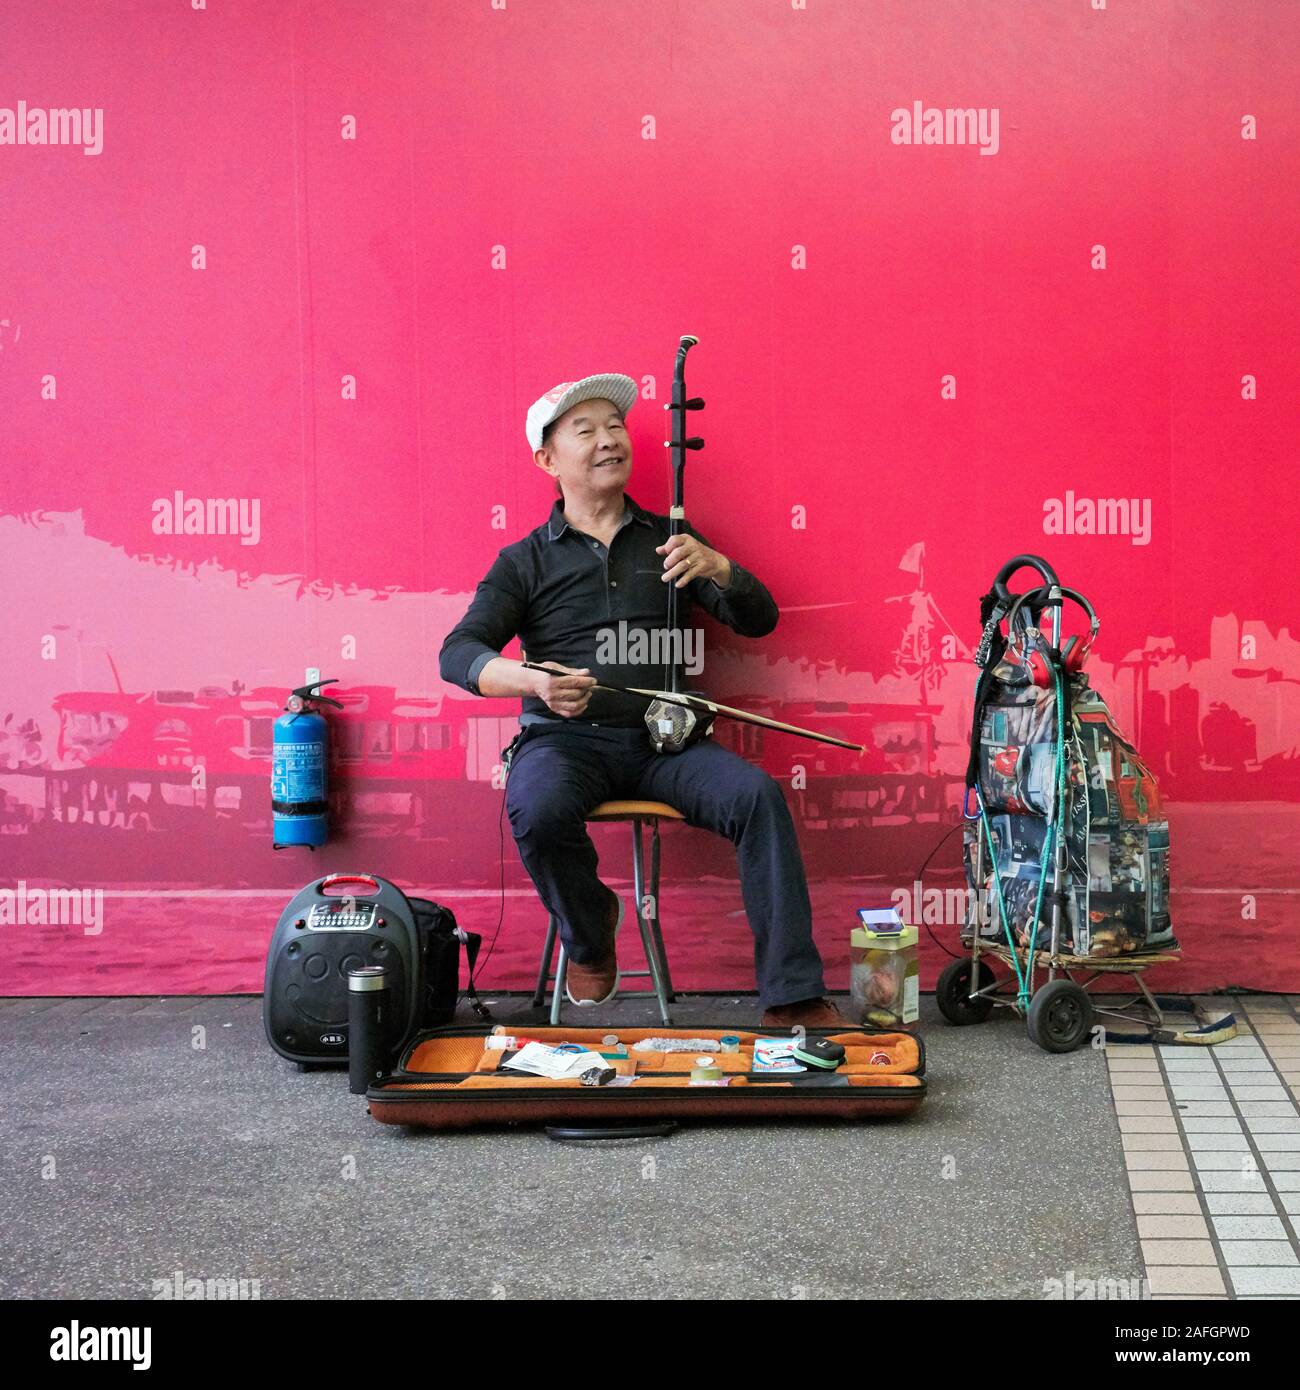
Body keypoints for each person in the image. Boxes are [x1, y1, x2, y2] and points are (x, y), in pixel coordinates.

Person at [439, 372, 849, 1027]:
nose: (609, 440)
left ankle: (793, 992)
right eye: (586, 430)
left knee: (757, 798)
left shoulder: (672, 540)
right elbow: (457, 654)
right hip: (566, 741)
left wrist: (721, 570)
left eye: (616, 426)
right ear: (547, 459)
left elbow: (759, 621)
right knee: (535, 805)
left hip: (668, 742)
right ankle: (591, 931)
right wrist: (534, 682)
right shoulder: (523, 562)